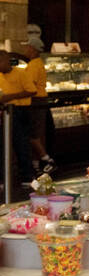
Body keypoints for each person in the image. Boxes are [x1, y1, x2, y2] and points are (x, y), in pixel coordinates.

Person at [0, 49, 35, 190]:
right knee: (3, 145)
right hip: (5, 112)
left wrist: (10, 97)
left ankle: (27, 176)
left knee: (21, 144)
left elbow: (32, 90)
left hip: (19, 112)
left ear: (5, 61)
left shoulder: (21, 73)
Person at [17, 41, 52, 171]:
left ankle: (47, 160)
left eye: (27, 47)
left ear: (33, 49)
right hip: (40, 100)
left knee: (33, 134)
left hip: (35, 101)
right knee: (38, 133)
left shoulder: (33, 65)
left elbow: (30, 86)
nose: (25, 50)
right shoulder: (37, 63)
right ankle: (36, 164)